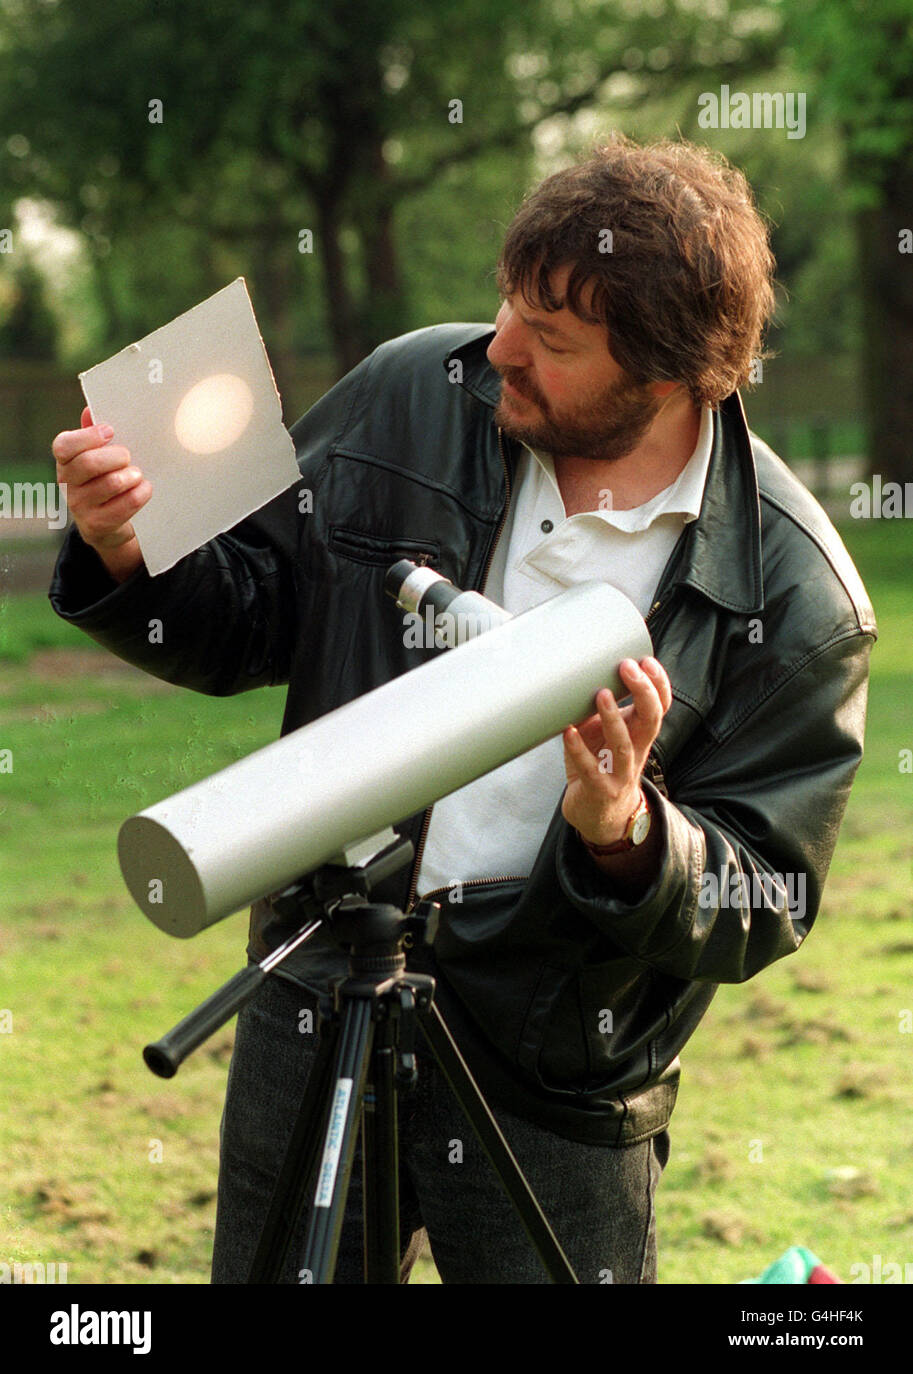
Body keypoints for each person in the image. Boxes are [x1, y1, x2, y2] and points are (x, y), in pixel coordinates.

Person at [49, 134, 876, 1284]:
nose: (499, 351)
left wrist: (626, 834)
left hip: (556, 1065)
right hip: (322, 986)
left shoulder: (799, 600)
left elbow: (761, 895)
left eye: (551, 342)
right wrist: (127, 550)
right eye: (507, 310)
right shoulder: (409, 392)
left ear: (674, 371)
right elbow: (254, 614)